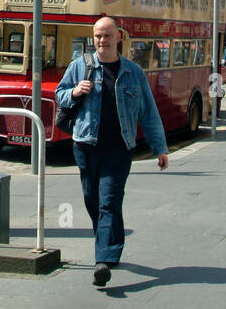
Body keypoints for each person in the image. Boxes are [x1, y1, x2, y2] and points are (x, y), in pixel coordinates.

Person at [55, 16, 169, 286]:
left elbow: (148, 112)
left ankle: (102, 261)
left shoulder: (132, 72)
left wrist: (160, 148)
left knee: (108, 201)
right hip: (85, 146)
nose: (102, 41)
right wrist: (74, 92)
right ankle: (111, 244)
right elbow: (59, 94)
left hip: (119, 150)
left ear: (118, 37)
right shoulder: (80, 66)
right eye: (97, 36)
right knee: (92, 199)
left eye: (107, 35)